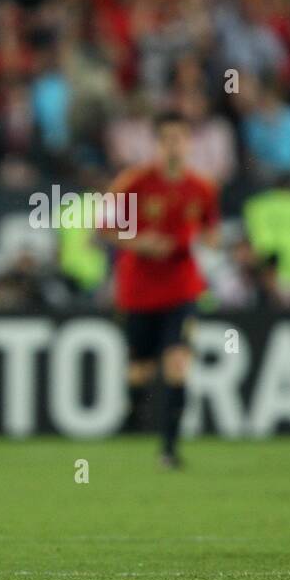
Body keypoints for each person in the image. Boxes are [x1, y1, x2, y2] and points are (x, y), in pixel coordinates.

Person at [102, 111, 220, 469]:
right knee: (139, 368)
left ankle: (168, 449)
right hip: (139, 290)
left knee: (177, 363)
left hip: (182, 289)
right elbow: (104, 227)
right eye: (166, 139)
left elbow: (211, 232)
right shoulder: (133, 182)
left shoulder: (202, 187)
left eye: (180, 139)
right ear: (156, 143)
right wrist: (140, 243)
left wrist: (208, 245)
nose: (173, 146)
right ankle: (134, 410)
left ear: (189, 142)